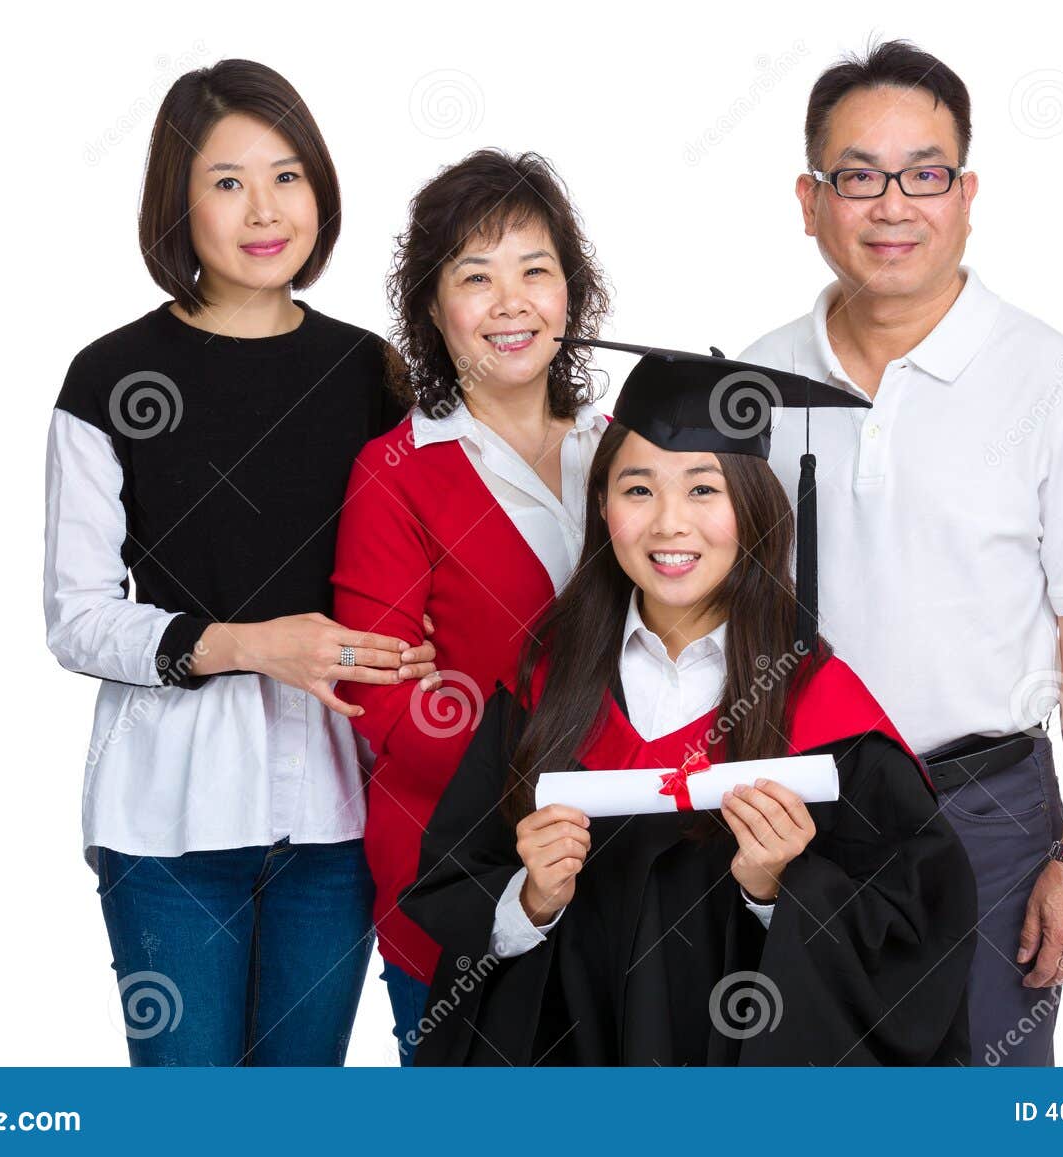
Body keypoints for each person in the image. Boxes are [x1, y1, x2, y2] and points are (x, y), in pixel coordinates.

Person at [740, 40, 1063, 1065]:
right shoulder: (751, 383)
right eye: (858, 177)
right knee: (806, 1089)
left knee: (987, 1097)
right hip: (799, 805)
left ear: (966, 195)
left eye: (924, 175)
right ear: (809, 201)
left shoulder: (1054, 383)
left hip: (990, 808)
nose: (892, 206)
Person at [399, 340, 978, 1065]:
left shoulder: (825, 712)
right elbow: (453, 885)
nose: (669, 523)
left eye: (704, 490)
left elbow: (918, 932)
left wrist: (783, 891)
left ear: (754, 509)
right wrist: (529, 900)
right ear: (602, 505)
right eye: (638, 489)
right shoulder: (545, 693)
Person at [42, 59, 437, 1066]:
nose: (265, 209)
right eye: (227, 181)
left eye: (287, 176)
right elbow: (77, 616)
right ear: (177, 204)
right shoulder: (110, 377)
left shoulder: (373, 373)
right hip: (168, 816)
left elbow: (420, 559)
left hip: (338, 813)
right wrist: (252, 645)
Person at [330, 150, 612, 1064]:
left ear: (571, 293)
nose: (511, 302)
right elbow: (381, 697)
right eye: (475, 276)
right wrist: (566, 779)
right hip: (461, 875)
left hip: (621, 871)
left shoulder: (626, 454)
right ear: (432, 307)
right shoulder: (397, 470)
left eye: (535, 270)